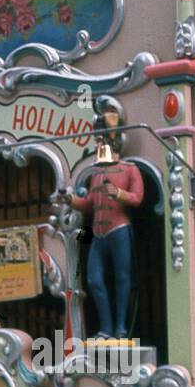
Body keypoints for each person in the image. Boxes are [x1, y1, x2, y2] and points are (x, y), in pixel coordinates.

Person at [70, 116, 143, 339]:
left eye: (102, 141)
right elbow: (89, 204)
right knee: (93, 279)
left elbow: (137, 198)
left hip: (119, 230)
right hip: (95, 233)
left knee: (123, 279)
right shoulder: (96, 173)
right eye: (98, 141)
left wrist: (118, 193)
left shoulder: (130, 169)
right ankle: (106, 327)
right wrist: (70, 199)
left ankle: (120, 328)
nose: (98, 145)